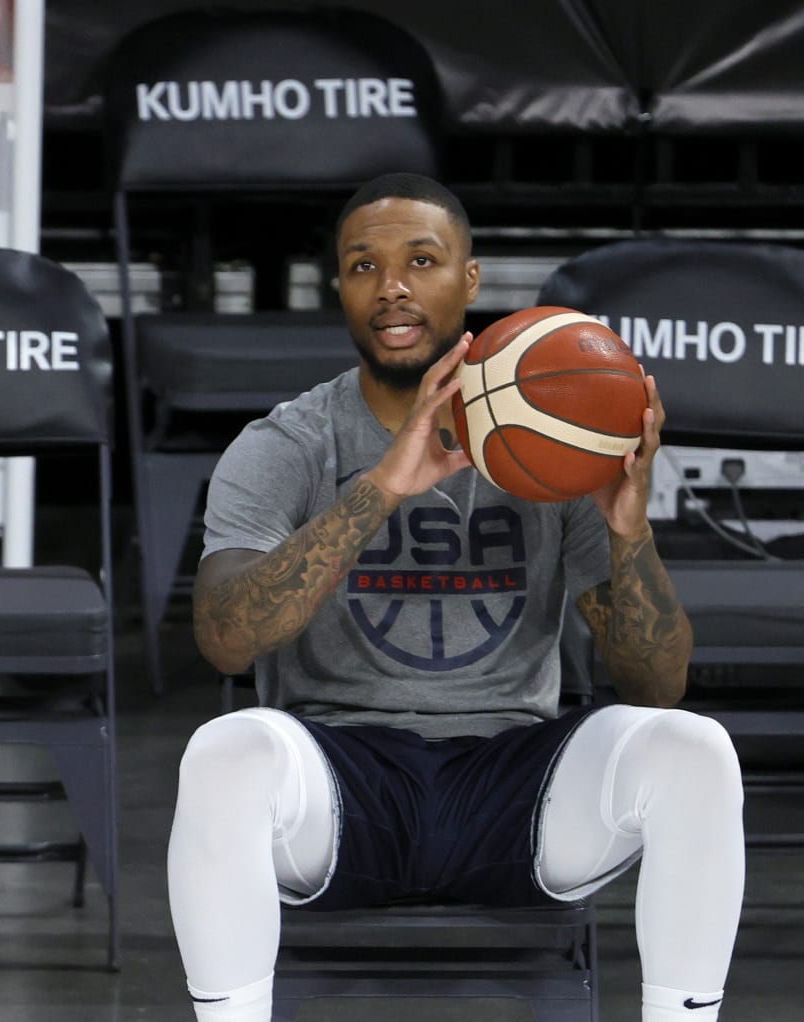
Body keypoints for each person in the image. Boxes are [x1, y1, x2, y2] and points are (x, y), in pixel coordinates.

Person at [168, 172, 743, 1022]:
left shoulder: (558, 439)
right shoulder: (289, 442)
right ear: (339, 289)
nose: (391, 287)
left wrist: (628, 531)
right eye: (363, 266)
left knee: (694, 747)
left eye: (422, 260)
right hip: (340, 782)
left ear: (470, 279)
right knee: (225, 752)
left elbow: (656, 685)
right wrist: (382, 489)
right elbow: (224, 640)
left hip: (516, 784)